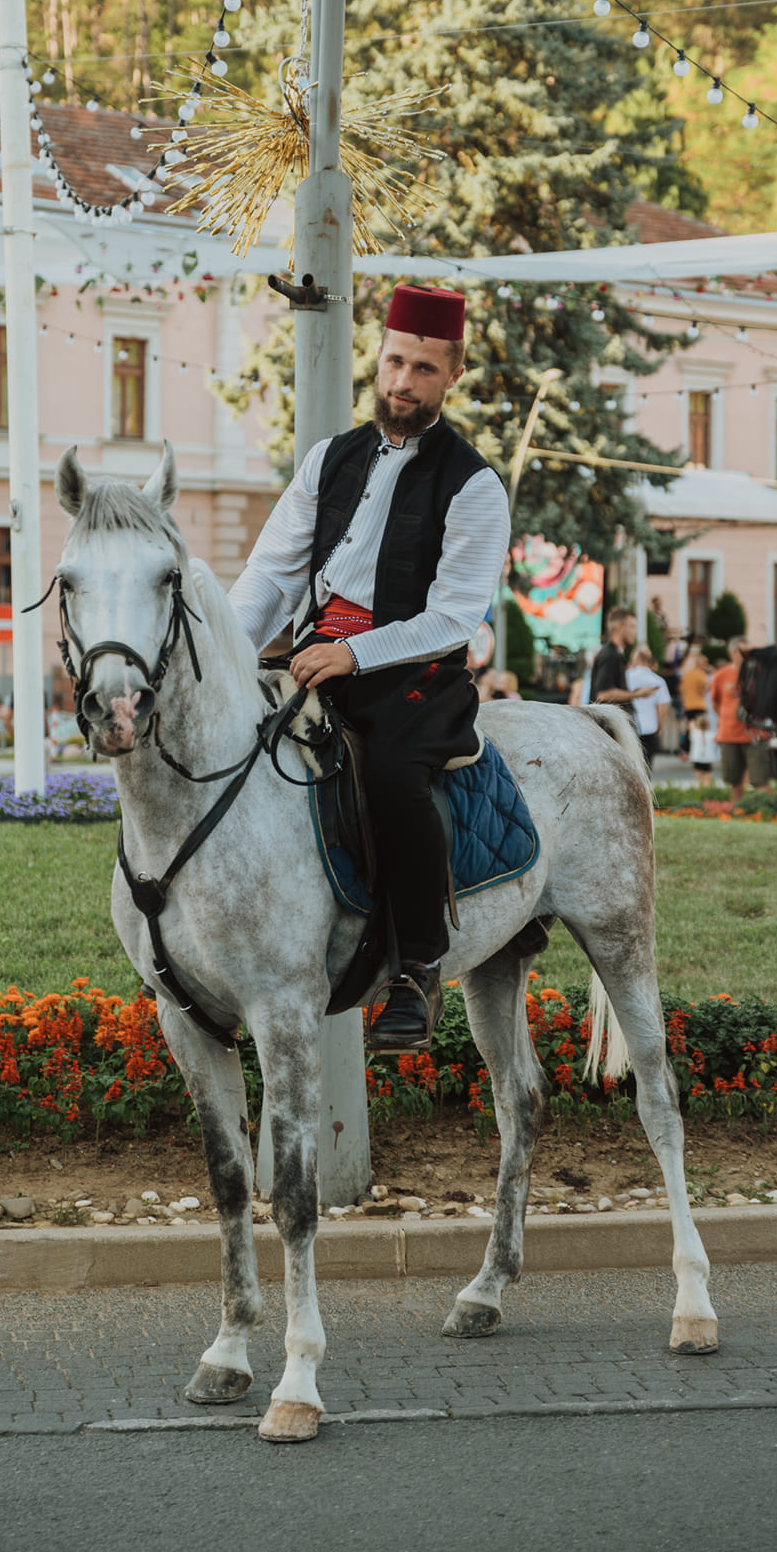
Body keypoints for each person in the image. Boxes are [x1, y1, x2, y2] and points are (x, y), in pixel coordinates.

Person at [228, 282, 511, 1054]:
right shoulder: (330, 458)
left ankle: (416, 968)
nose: (401, 382)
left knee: (388, 774)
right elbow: (270, 575)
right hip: (313, 659)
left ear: (453, 373)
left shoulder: (473, 484)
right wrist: (223, 654)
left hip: (415, 678)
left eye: (423, 368)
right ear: (376, 357)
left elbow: (454, 617)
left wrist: (353, 652)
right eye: (393, 362)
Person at [710, 636, 773, 804]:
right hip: (729, 734)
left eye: (751, 651)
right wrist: (729, 718)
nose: (748, 655)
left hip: (755, 734)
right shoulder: (721, 675)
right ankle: (737, 811)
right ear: (732, 653)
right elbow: (716, 703)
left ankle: (767, 811)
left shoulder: (760, 674)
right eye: (744, 651)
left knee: (760, 779)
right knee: (734, 780)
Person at [568, 605, 660, 710]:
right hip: (606, 719)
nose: (635, 632)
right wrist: (637, 694)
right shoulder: (610, 655)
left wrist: (634, 693)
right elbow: (603, 694)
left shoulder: (615, 654)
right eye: (632, 626)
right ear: (619, 628)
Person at [625, 643, 671, 769]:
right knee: (646, 766)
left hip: (628, 726)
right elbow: (662, 708)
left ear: (635, 659)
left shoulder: (625, 677)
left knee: (630, 765)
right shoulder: (658, 680)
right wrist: (659, 727)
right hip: (650, 727)